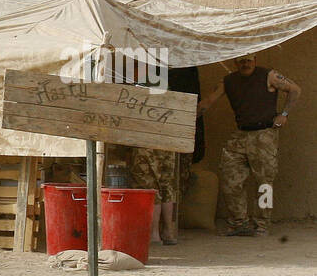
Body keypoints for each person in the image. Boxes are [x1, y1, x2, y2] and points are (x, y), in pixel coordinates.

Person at [199, 55, 302, 236]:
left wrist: (284, 114)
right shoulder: (228, 80)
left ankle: (262, 223)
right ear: (235, 63)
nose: (245, 64)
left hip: (264, 135)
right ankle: (239, 222)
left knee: (265, 183)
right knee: (230, 179)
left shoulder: (268, 76)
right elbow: (208, 102)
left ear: (255, 60)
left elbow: (295, 90)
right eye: (241, 61)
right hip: (240, 134)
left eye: (249, 60)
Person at [127, 146, 179, 245]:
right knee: (166, 184)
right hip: (168, 142)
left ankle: (153, 234)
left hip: (147, 144)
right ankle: (169, 232)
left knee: (148, 184)